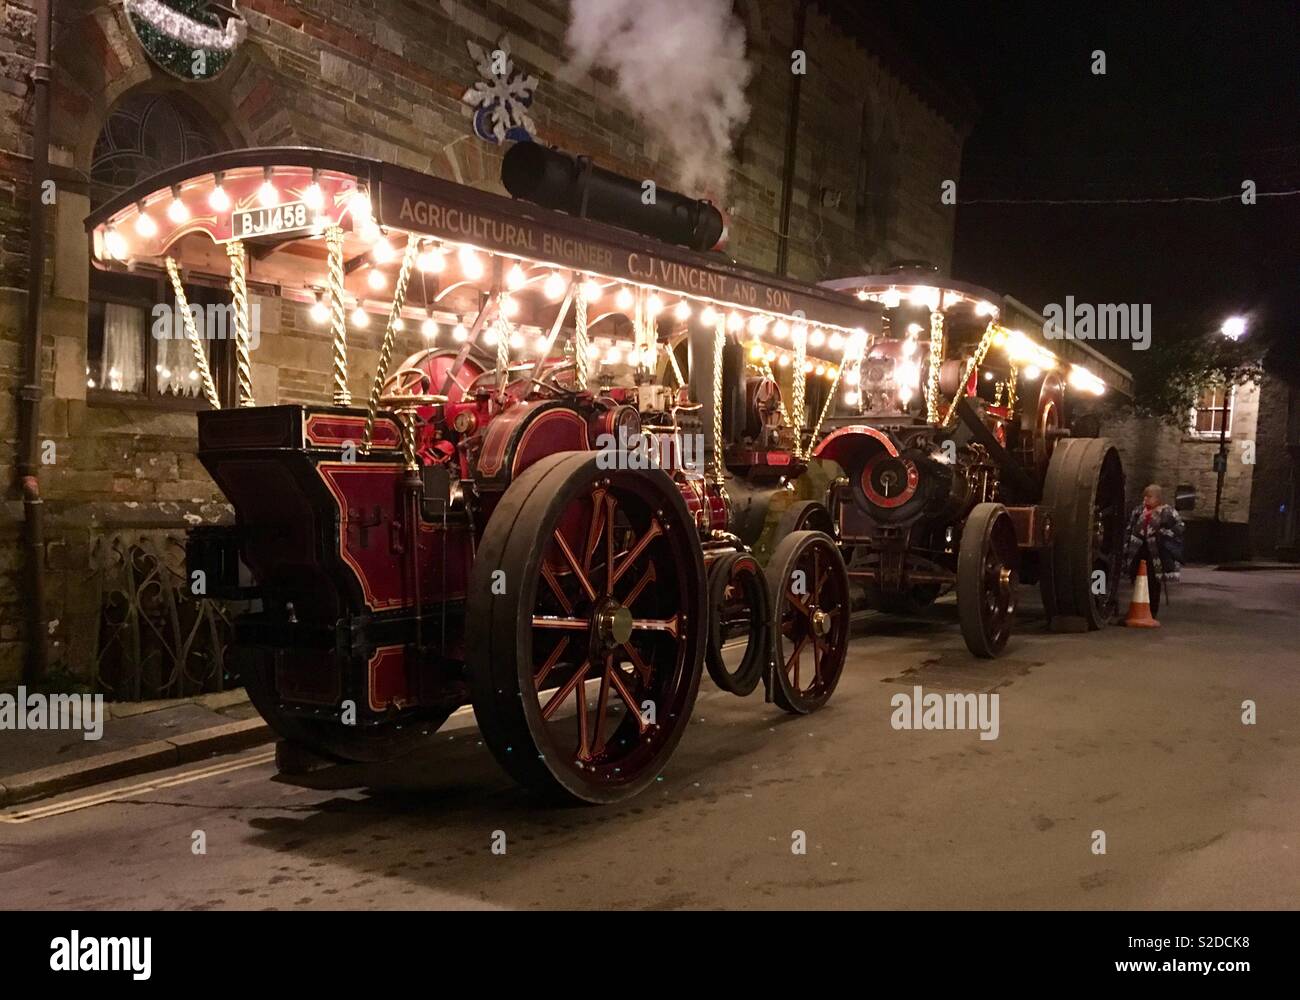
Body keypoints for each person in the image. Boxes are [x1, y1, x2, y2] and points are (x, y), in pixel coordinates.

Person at [1122, 484, 1185, 619]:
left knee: (1153, 582)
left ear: (1158, 498)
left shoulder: (1167, 512)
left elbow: (1179, 528)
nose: (1146, 499)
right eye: (1145, 496)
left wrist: (1163, 533)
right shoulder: (1138, 511)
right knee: (1137, 579)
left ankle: (1151, 611)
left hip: (1156, 553)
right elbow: (1130, 527)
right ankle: (1137, 607)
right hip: (1138, 550)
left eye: (1149, 496)